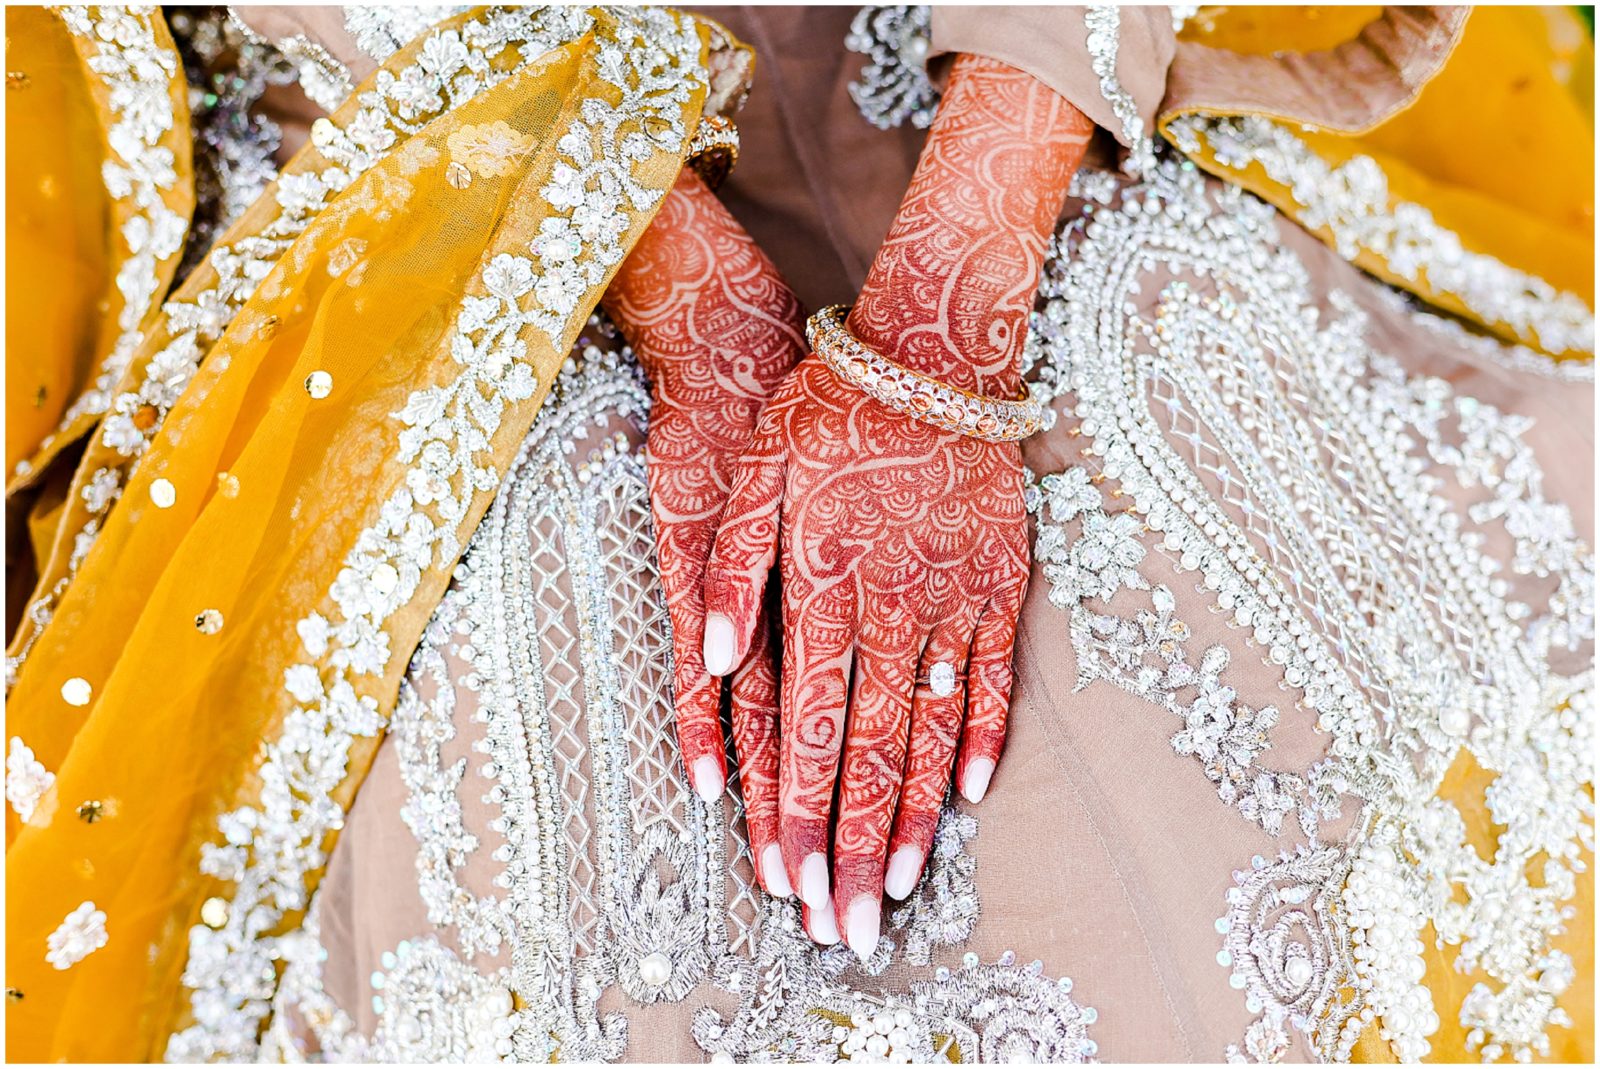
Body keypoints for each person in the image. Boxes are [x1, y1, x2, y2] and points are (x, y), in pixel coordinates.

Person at [5, 5, 1592, 1063]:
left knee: (1365, 712)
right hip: (431, 90)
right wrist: (657, 258)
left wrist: (952, 297)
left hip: (1004, 74)